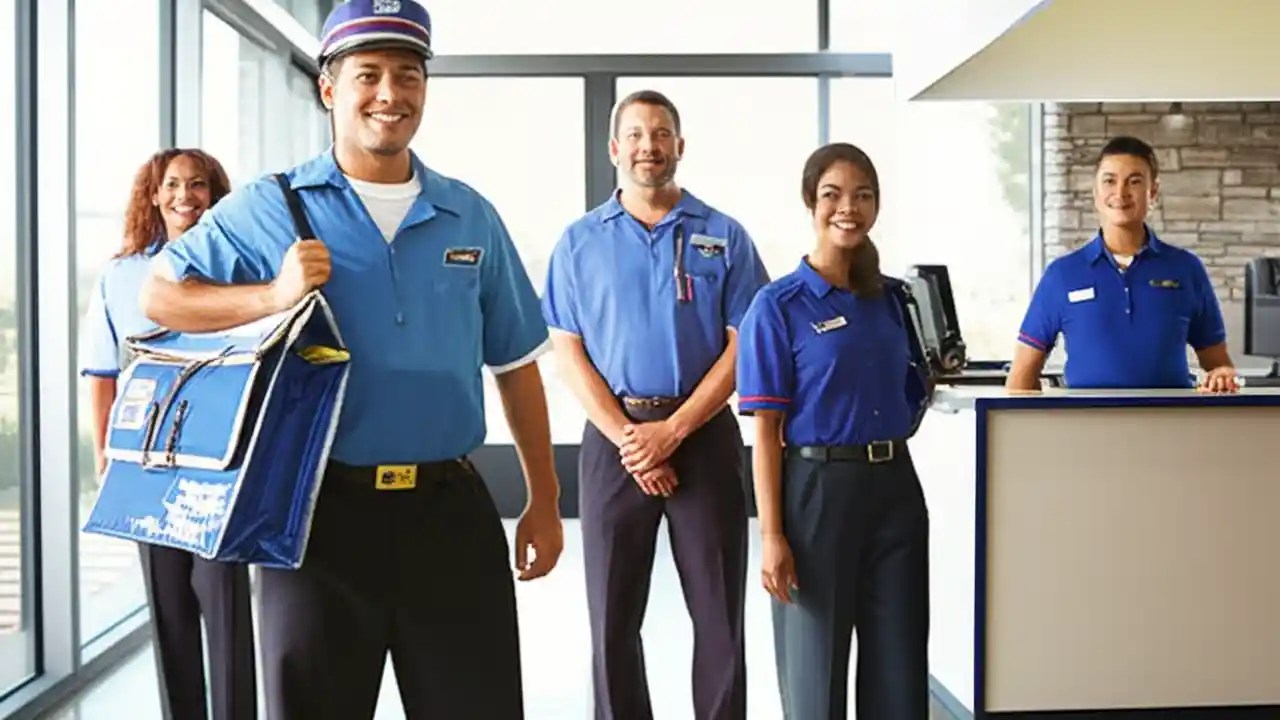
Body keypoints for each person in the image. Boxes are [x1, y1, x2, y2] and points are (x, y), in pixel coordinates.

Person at [137, 2, 564, 717]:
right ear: (329, 87)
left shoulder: (470, 214)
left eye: (407, 74)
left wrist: (544, 500)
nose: (390, 94)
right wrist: (270, 295)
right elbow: (161, 295)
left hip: (449, 515)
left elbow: (516, 364)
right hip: (316, 520)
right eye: (368, 74)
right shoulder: (273, 204)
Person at [542, 89, 768, 720]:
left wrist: (673, 431)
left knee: (720, 614)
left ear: (680, 145)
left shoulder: (724, 236)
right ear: (615, 149)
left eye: (661, 133)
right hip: (613, 441)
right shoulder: (579, 242)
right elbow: (568, 351)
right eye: (636, 135)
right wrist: (632, 441)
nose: (649, 146)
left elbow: (743, 343)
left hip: (703, 435)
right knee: (612, 619)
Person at [736, 142, 930, 720]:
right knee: (814, 669)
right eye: (833, 194)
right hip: (817, 490)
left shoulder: (894, 299)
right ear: (810, 202)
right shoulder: (778, 306)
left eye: (863, 195)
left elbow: (914, 385)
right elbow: (766, 433)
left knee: (899, 665)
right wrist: (772, 536)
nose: (848, 207)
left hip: (896, 489)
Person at [80, 148, 256, 720]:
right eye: (174, 184)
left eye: (199, 185)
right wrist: (105, 454)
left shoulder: (241, 267)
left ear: (215, 194)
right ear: (154, 196)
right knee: (169, 607)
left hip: (219, 462)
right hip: (147, 463)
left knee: (224, 601)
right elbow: (103, 373)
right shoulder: (121, 274)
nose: (186, 195)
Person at [1007, 135, 1238, 392]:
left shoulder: (1186, 269)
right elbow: (1020, 378)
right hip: (1086, 428)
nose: (1120, 193)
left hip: (1172, 427)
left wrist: (1224, 375)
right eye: (1109, 181)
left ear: (1153, 192)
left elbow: (1219, 367)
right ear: (1095, 193)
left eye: (1135, 181)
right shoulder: (1061, 275)